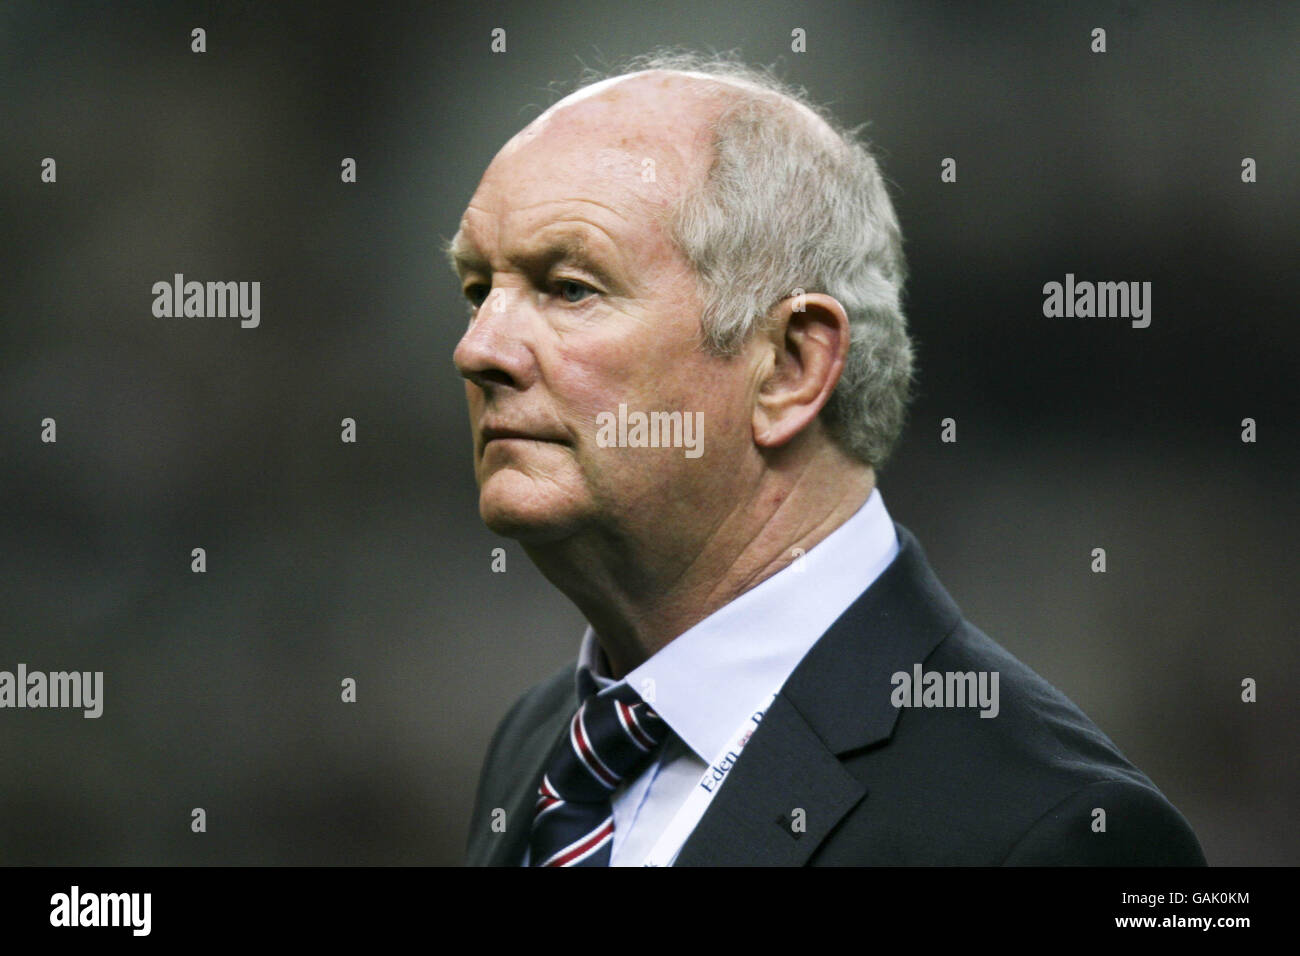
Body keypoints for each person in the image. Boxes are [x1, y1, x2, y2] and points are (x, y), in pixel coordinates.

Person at [447, 51, 1205, 866]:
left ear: (791, 368)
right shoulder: (541, 744)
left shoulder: (1058, 832)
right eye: (477, 289)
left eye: (569, 288)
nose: (478, 348)